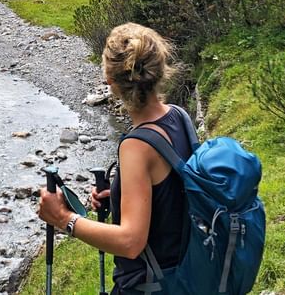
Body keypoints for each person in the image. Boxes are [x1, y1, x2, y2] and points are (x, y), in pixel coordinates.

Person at [38, 22, 195, 294]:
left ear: (110, 82)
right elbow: (174, 192)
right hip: (186, 272)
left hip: (151, 284)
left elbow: (131, 242)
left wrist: (64, 218)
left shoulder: (137, 146)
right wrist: (121, 196)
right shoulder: (178, 116)